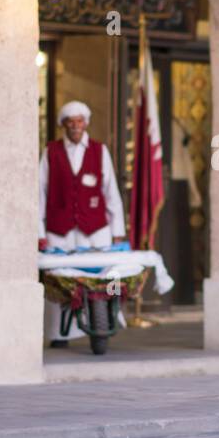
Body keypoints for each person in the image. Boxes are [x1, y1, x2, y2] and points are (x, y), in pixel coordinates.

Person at [39, 100, 126, 347]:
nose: (75, 126)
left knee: (98, 279)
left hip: (95, 230)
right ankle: (59, 334)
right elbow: (39, 193)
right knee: (59, 282)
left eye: (79, 121)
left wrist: (118, 231)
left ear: (86, 123)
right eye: (70, 122)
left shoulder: (100, 151)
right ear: (63, 125)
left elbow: (111, 193)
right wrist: (39, 231)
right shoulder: (51, 152)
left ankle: (101, 325)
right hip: (60, 231)